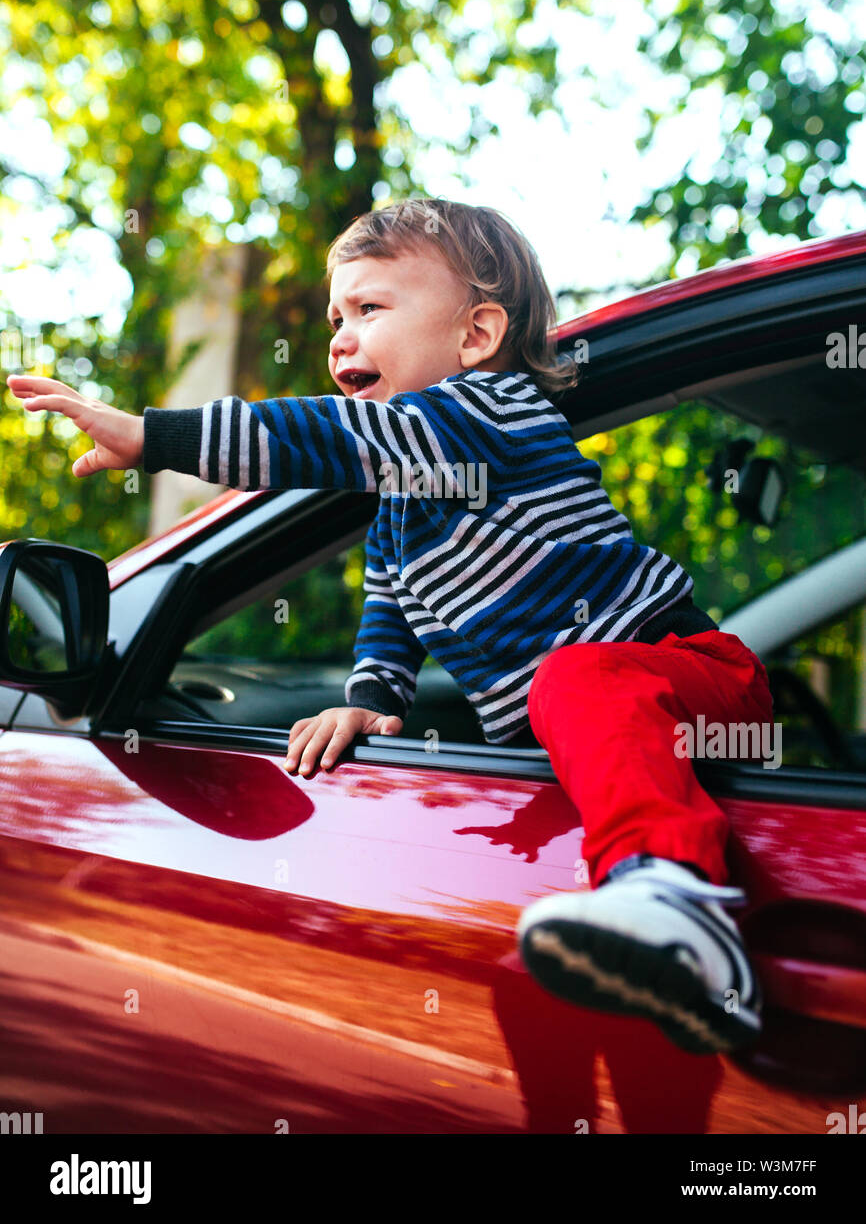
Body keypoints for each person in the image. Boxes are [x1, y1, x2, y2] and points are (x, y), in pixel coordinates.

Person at [6, 197, 774, 1057]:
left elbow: (321, 438)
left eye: (371, 310)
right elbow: (393, 605)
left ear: (477, 337)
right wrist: (373, 698)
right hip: (614, 727)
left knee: (574, 679)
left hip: (697, 683)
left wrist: (153, 436)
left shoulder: (490, 416)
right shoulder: (403, 501)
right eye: (336, 317)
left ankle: (676, 906)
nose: (340, 337)